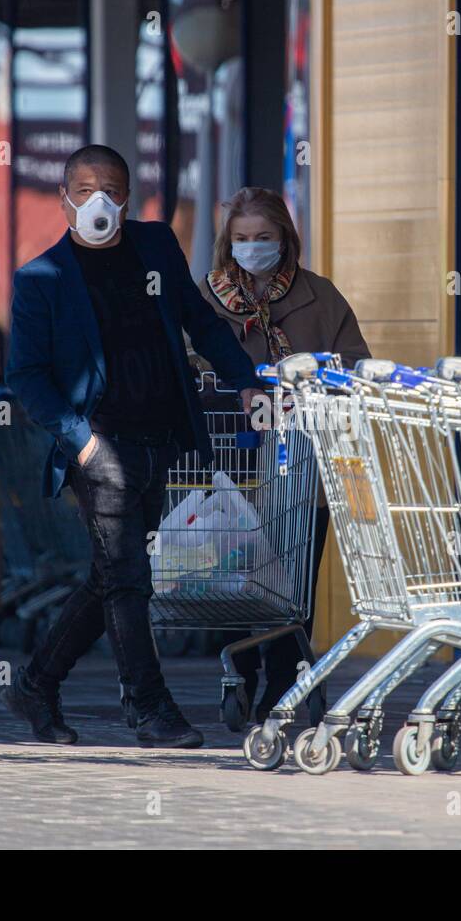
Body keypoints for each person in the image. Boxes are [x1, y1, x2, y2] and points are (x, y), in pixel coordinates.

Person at [1, 144, 260, 749]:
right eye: (86, 188)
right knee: (128, 579)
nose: (100, 201)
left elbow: (199, 318)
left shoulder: (156, 246)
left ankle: (37, 685)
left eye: (113, 189)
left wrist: (246, 382)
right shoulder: (41, 279)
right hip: (101, 449)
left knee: (112, 576)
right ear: (64, 198)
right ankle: (149, 709)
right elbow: (25, 376)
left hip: (164, 438)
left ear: (128, 196)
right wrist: (83, 443)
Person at [199, 186, 370, 721]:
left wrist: (315, 386)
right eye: (242, 239)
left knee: (294, 576)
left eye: (264, 238)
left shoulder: (321, 297)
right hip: (232, 456)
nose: (252, 248)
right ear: (228, 243)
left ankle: (282, 676)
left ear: (285, 240)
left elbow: (357, 367)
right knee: (231, 571)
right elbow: (183, 359)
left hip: (300, 462)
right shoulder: (207, 298)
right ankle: (241, 669)